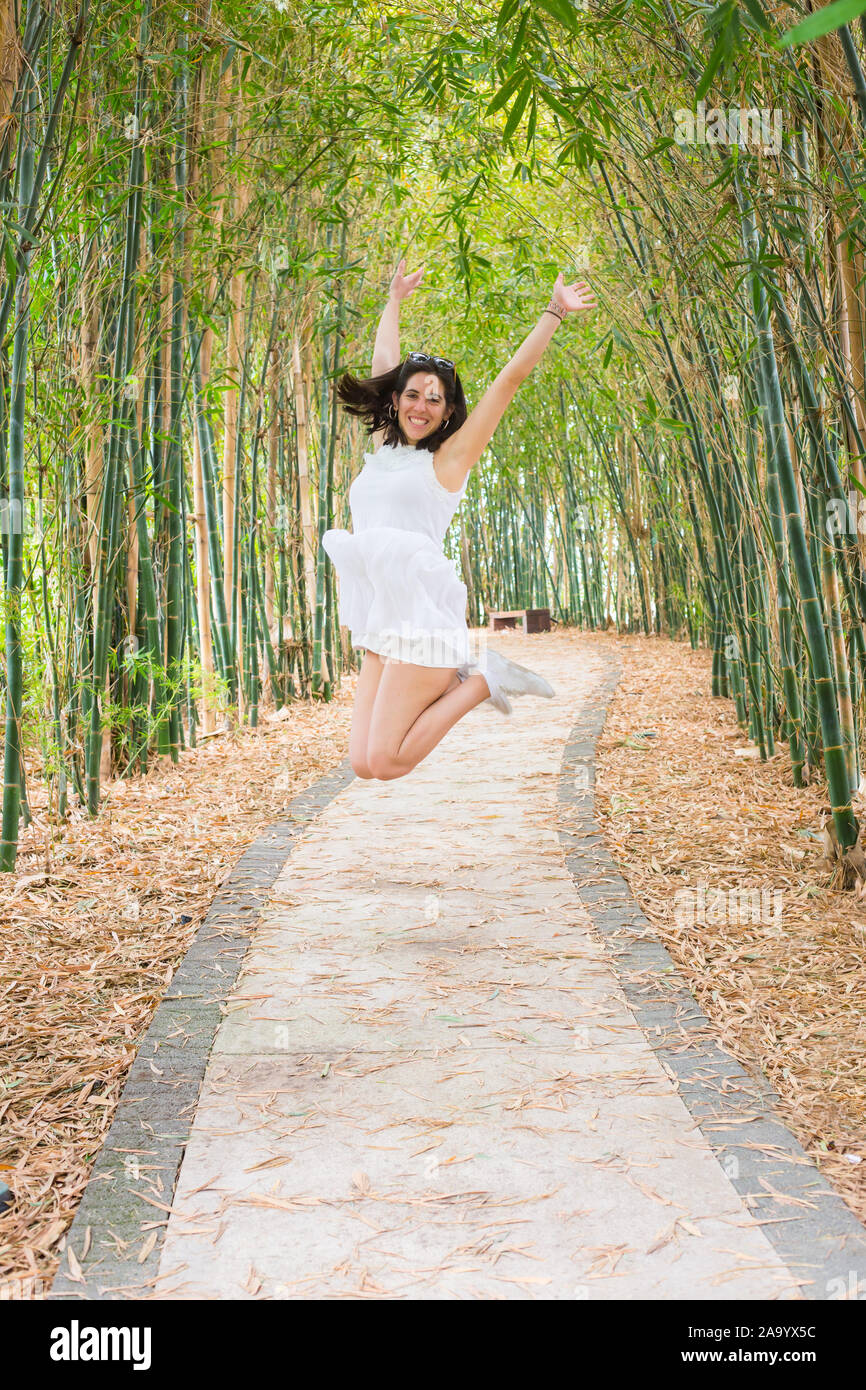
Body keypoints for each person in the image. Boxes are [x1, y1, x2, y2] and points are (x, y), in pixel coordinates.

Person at [322, 257, 597, 781]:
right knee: (362, 763)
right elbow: (385, 358)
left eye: (435, 399)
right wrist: (394, 299)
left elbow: (508, 382)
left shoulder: (448, 462)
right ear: (396, 401)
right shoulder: (383, 448)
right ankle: (469, 680)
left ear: (448, 411)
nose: (420, 406)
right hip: (382, 615)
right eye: (411, 395)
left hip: (421, 619)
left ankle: (482, 680)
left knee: (388, 760)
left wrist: (554, 312)